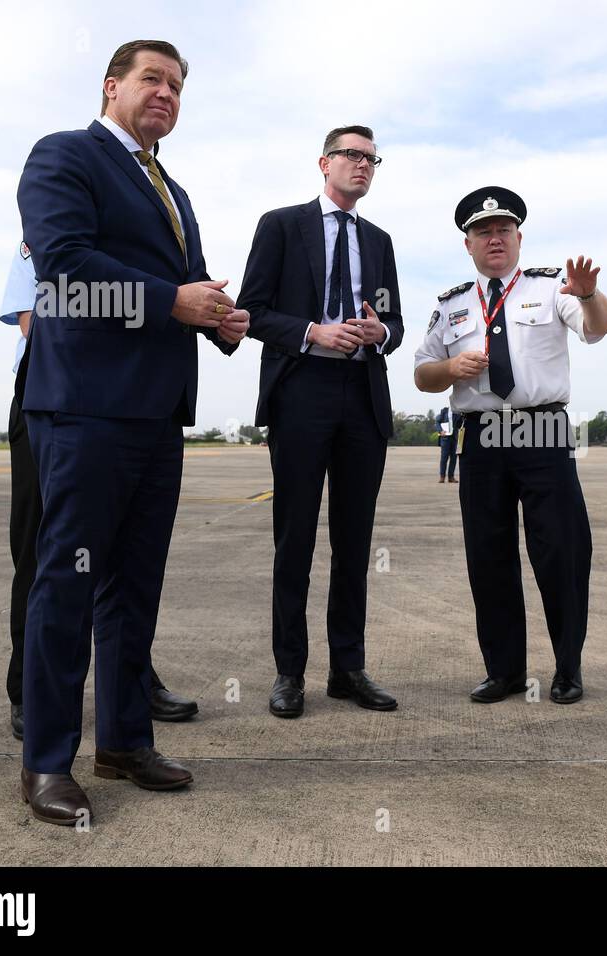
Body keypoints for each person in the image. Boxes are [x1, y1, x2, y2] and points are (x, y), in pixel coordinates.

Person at [16, 40, 249, 825]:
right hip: (86, 408)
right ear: (112, 86)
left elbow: (187, 286)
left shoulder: (172, 189)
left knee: (133, 588)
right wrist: (172, 302)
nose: (167, 94)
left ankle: (122, 740)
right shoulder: (65, 156)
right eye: (153, 79)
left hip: (156, 415)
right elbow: (65, 265)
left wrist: (219, 316)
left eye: (178, 86)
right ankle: (47, 761)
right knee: (67, 585)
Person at [413, 187, 607, 704]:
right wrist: (451, 369)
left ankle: (567, 668)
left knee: (560, 552)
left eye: (503, 229)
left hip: (540, 429)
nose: (494, 238)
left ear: (519, 238)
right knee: (489, 555)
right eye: (483, 232)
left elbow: (598, 329)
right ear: (469, 244)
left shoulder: (553, 288)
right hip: (481, 435)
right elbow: (422, 373)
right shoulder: (452, 305)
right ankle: (503, 671)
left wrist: (589, 294)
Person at [0, 246, 198, 743]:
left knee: (123, 560)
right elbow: (31, 320)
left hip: (122, 403)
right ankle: (28, 690)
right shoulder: (45, 242)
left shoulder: (128, 241)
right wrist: (142, 310)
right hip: (51, 398)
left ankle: (132, 685)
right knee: (41, 553)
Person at [238, 125, 404, 718]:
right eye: (351, 156)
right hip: (301, 391)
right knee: (296, 537)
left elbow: (395, 322)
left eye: (371, 159)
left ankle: (347, 667)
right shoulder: (282, 225)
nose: (362, 166)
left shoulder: (380, 241)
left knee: (354, 540)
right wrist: (311, 332)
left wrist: (379, 332)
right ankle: (289, 671)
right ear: (324, 162)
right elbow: (252, 312)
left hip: (362, 393)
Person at [436, 406, 460, 482]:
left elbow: (460, 423)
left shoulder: (458, 412)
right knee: (444, 458)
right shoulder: (444, 411)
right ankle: (442, 477)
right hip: (445, 438)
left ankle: (451, 477)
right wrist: (440, 431)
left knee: (454, 458)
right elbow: (437, 422)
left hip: (455, 438)